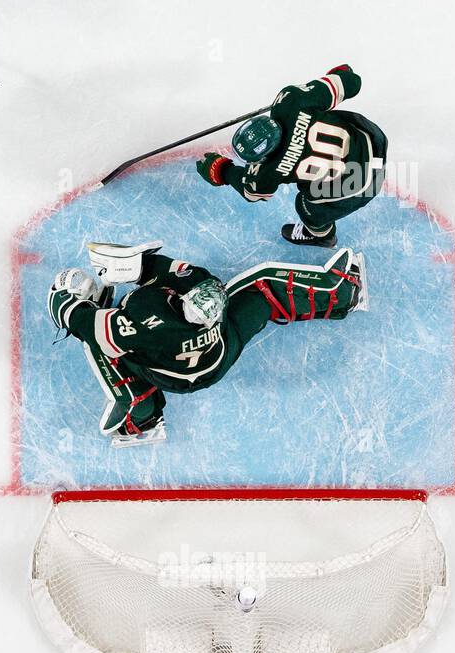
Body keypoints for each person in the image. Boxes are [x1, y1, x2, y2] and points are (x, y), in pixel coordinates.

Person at [47, 241, 364, 445]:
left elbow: (83, 324)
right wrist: (140, 266)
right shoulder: (206, 286)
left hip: (170, 375)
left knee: (99, 344)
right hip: (221, 352)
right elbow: (183, 273)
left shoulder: (138, 324)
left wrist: (67, 304)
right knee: (263, 283)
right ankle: (341, 294)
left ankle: (138, 413)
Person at [196, 65, 387, 247]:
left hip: (363, 183)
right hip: (372, 140)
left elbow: (252, 192)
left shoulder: (267, 172)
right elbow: (351, 83)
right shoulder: (290, 101)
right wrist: (341, 74)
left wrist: (222, 170)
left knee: (306, 207)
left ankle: (322, 237)